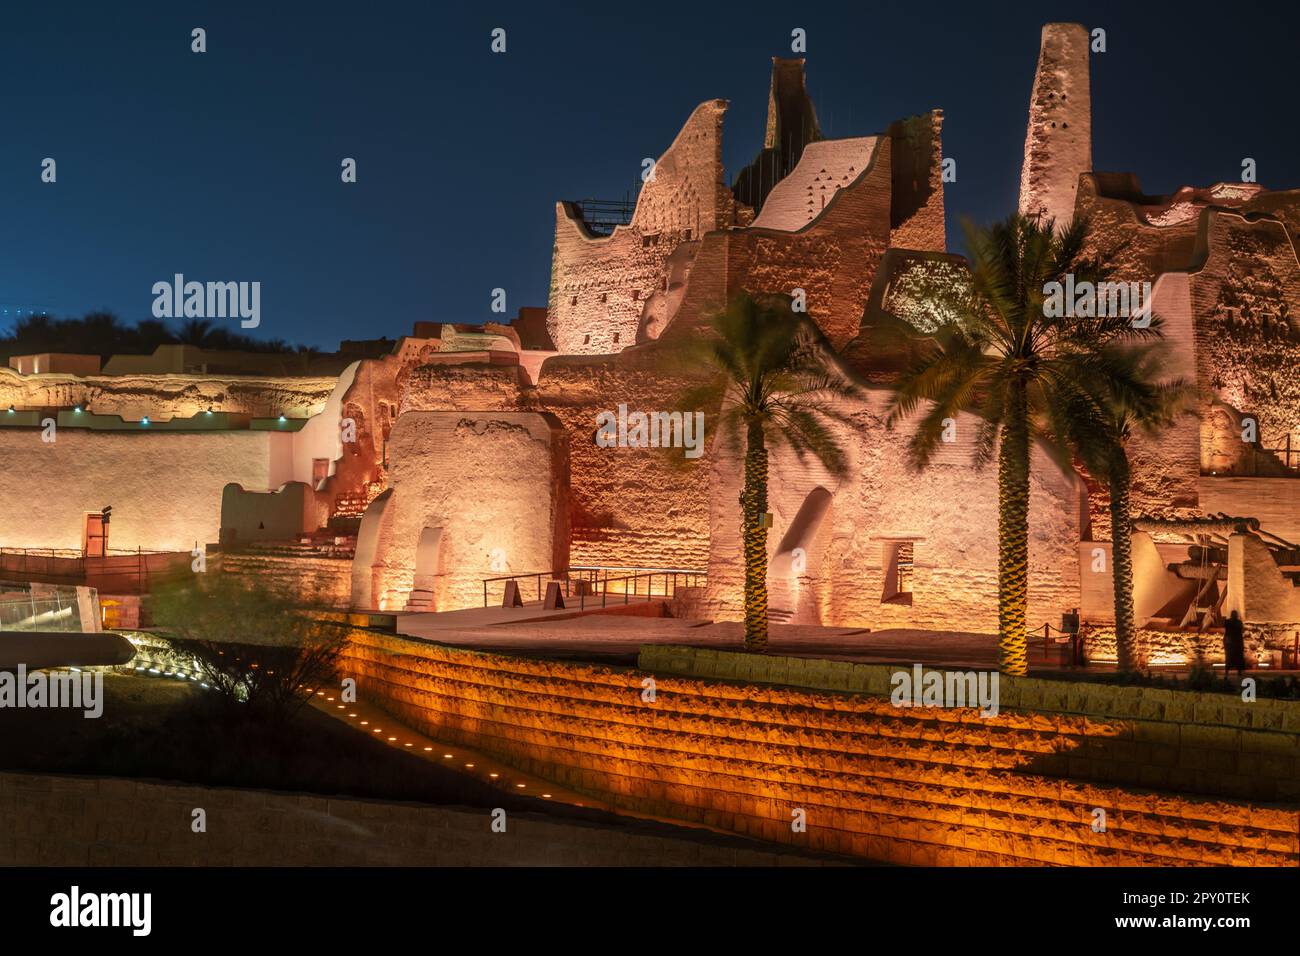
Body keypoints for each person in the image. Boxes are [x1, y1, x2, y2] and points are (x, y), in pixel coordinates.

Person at [1223, 610, 1247, 677]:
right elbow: (1227, 631)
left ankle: (1235, 672)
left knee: (1235, 657)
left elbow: (1240, 631)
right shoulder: (1233, 622)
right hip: (1232, 642)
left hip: (1234, 642)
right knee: (1231, 657)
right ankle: (1228, 672)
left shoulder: (1233, 622)